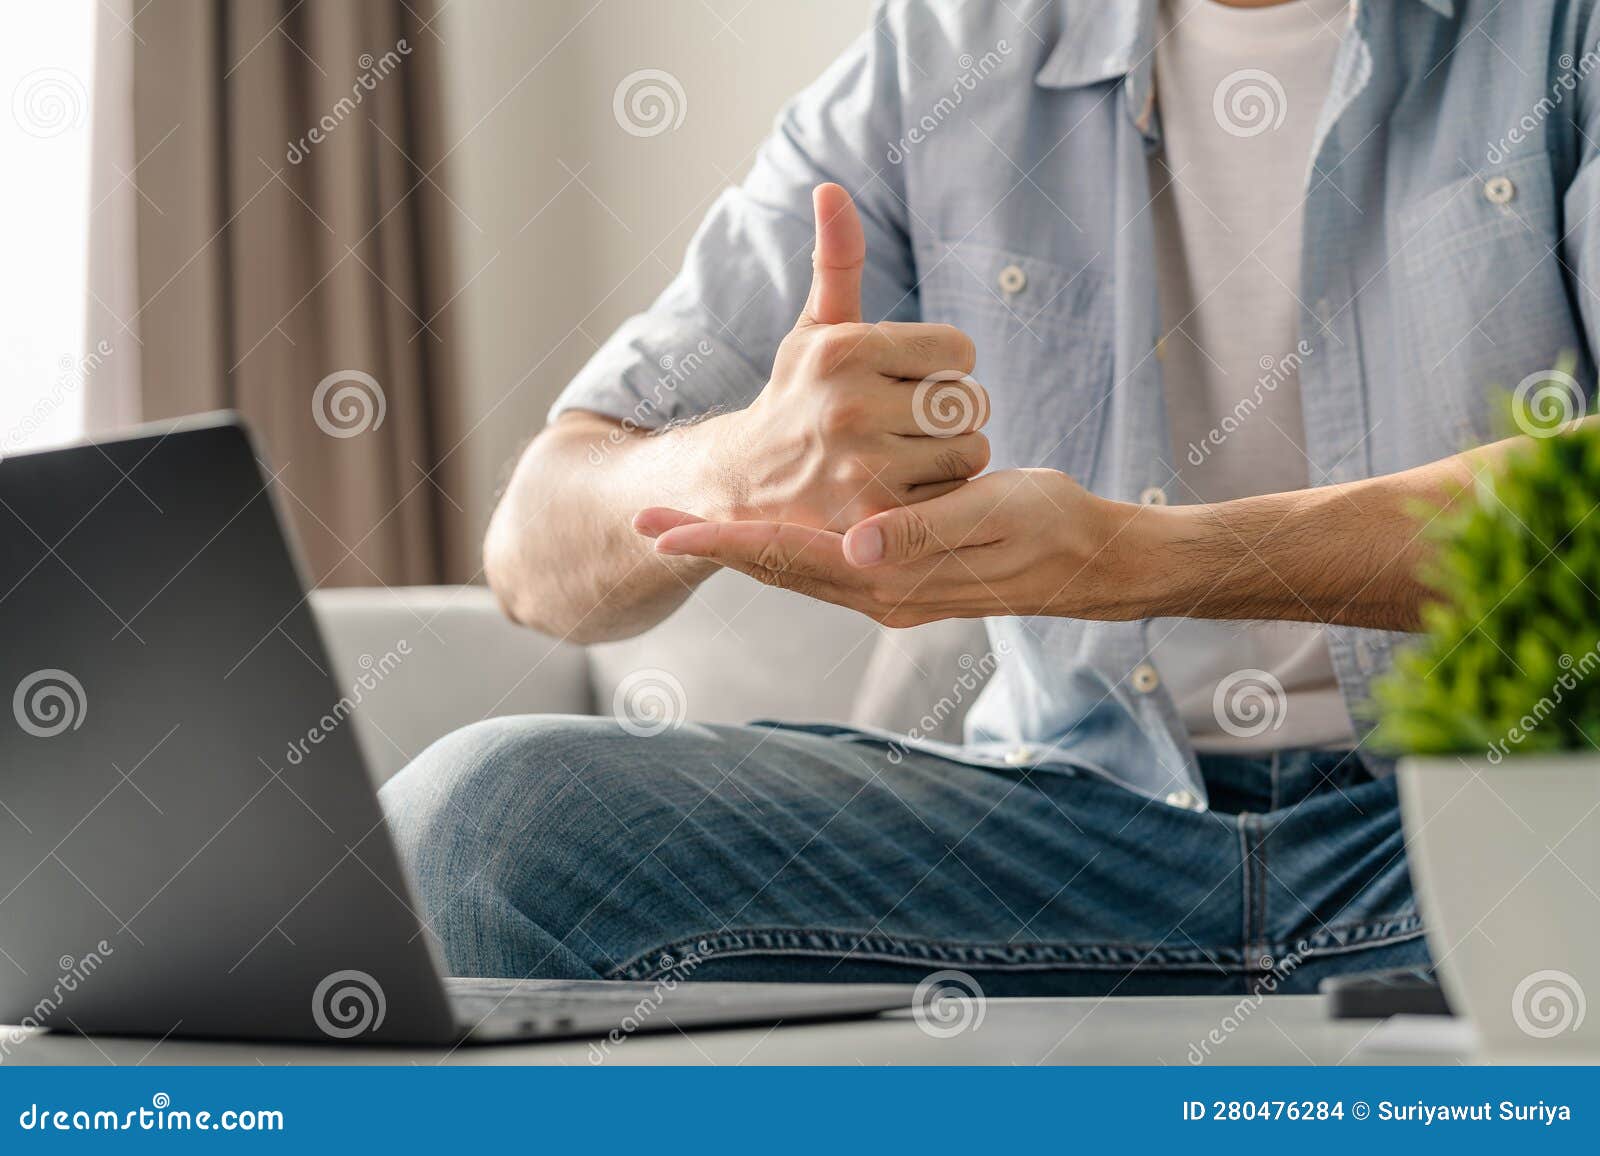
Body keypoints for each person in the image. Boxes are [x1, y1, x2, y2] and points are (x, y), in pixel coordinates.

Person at [380, 0, 1597, 994]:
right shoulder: (942, 59)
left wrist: (1141, 559)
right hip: (1068, 837)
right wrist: (740, 460)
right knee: (487, 825)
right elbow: (536, 552)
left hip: (1509, 823)